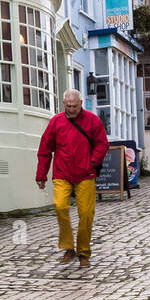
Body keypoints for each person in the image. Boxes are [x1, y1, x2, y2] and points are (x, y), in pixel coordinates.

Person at [36, 89, 109, 269]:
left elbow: (102, 144)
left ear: (81, 104)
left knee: (86, 214)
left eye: (74, 106)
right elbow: (45, 149)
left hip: (86, 174)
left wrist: (92, 162)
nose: (71, 109)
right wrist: (41, 175)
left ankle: (83, 252)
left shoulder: (92, 121)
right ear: (63, 104)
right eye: (68, 106)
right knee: (60, 206)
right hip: (62, 173)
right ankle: (68, 248)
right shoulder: (56, 122)